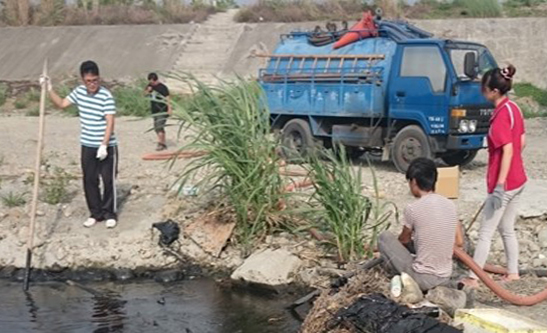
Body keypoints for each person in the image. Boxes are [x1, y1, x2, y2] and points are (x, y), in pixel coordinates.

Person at [462, 65, 526, 288]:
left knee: (485, 232)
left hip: (505, 184)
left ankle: (473, 277)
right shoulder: (514, 108)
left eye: (484, 88)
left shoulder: (499, 117)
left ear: (493, 91)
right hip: (518, 179)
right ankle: (513, 272)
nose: (482, 91)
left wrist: (499, 184)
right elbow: (522, 142)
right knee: (507, 228)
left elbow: (507, 149)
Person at [41, 60, 119, 229]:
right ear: (83, 80)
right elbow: (61, 104)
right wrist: (49, 89)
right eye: (89, 81)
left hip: (106, 145)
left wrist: (104, 145)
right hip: (87, 144)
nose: (92, 84)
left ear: (99, 78)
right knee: (89, 180)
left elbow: (110, 122)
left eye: (95, 80)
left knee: (108, 179)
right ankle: (95, 213)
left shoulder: (106, 95)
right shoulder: (79, 92)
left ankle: (109, 213)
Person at [378, 158, 464, 291]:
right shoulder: (450, 205)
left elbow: (404, 240)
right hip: (445, 275)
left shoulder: (413, 208)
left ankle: (402, 282)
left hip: (422, 278)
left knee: (384, 238)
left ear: (414, 182)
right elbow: (459, 242)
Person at [145, 73, 172, 151]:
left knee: (159, 126)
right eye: (150, 82)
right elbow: (145, 94)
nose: (151, 83)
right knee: (156, 127)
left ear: (156, 80)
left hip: (162, 109)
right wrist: (148, 90)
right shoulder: (150, 86)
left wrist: (169, 108)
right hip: (154, 110)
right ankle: (162, 141)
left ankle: (161, 144)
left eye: (152, 82)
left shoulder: (162, 87)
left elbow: (168, 98)